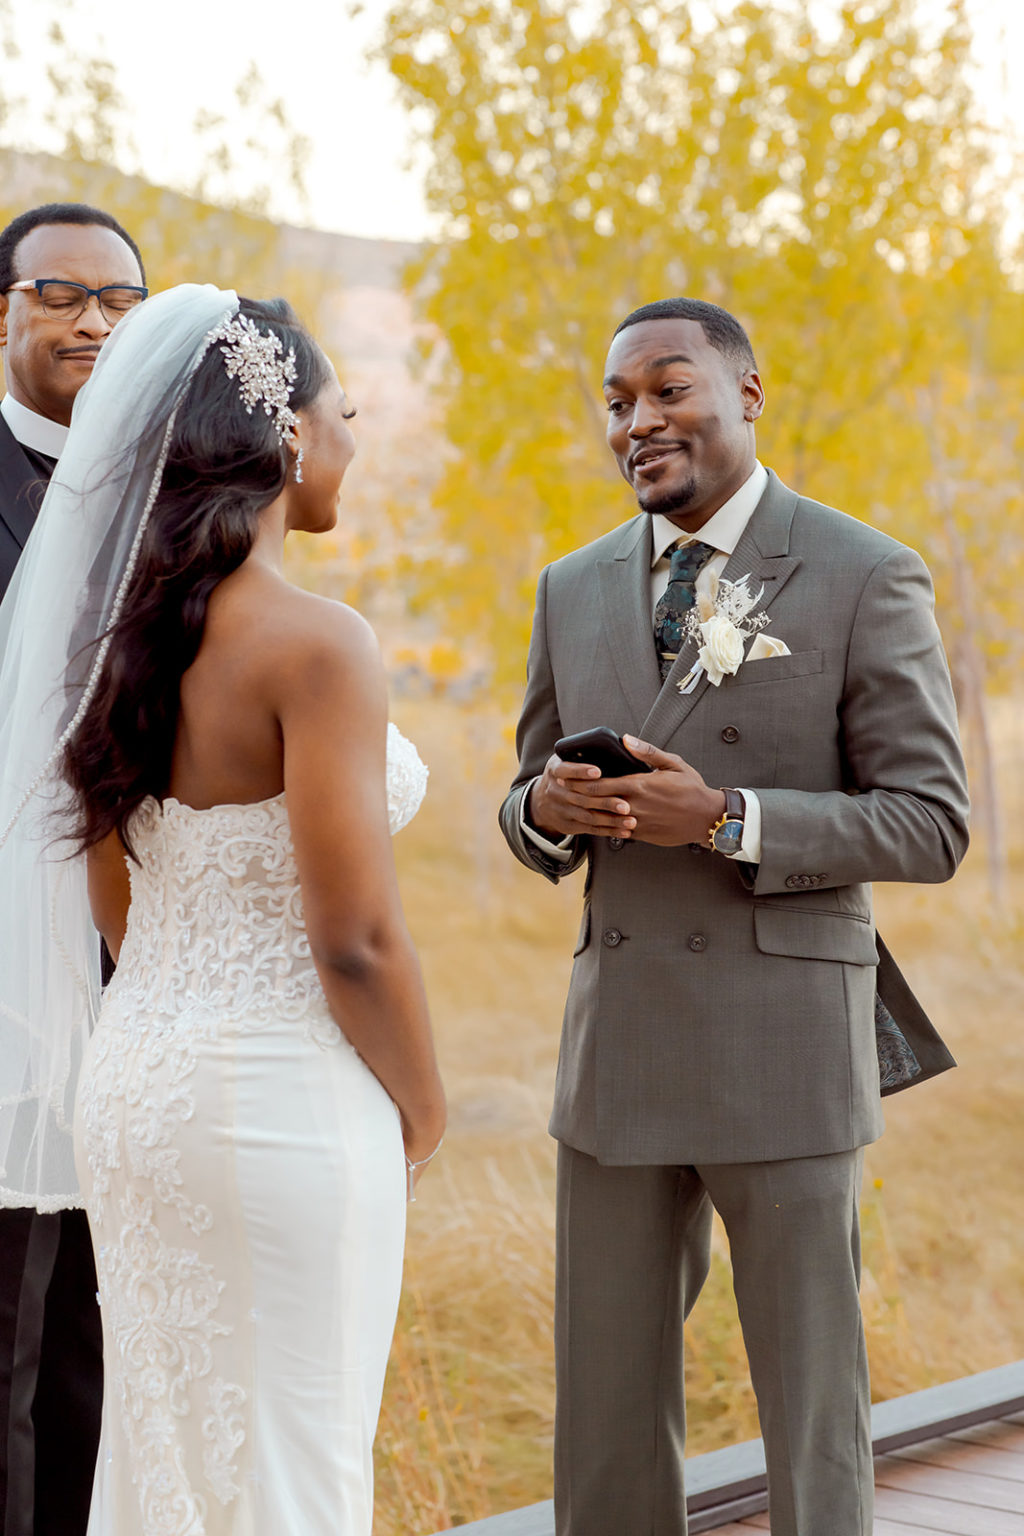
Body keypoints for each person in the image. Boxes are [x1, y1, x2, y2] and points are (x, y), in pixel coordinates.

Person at [498, 297, 970, 1536]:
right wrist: (545, 809)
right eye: (616, 403)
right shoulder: (570, 586)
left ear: (746, 395)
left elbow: (929, 823)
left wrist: (726, 819)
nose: (638, 422)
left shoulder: (866, 570)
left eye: (668, 390)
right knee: (600, 1417)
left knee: (813, 1418)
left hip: (784, 1049)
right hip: (618, 1053)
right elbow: (523, 803)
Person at [0, 284, 446, 1535]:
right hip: (282, 1093)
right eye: (345, 413)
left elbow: (113, 896)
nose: (355, 443)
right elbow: (354, 937)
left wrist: (184, 1008)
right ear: (290, 434)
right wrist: (420, 1104)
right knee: (294, 1461)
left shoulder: (115, 636)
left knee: (168, 1453)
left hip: (136, 1083)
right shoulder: (317, 643)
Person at [0, 199, 147, 1536]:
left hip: (144, 975)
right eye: (61, 294)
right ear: (4, 311)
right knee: (5, 1338)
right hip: (4, 991)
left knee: (110, 1333)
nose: (93, 323)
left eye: (118, 303)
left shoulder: (167, 493)